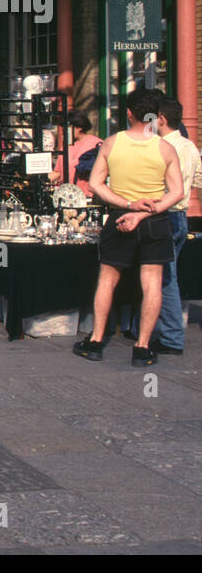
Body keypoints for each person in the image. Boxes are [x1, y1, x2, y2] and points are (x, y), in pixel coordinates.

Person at [74, 88, 184, 367]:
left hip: (120, 214)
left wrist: (129, 204)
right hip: (155, 219)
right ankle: (143, 347)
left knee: (108, 280)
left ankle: (96, 341)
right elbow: (177, 192)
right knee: (152, 283)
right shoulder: (165, 147)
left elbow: (97, 184)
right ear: (156, 116)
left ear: (129, 114)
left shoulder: (112, 143)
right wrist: (150, 208)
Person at [122, 97, 198, 356]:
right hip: (181, 213)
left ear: (161, 119)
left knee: (163, 279)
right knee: (164, 276)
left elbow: (162, 187)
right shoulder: (189, 146)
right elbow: (197, 179)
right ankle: (154, 330)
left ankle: (170, 337)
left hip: (164, 214)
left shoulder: (164, 147)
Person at [53, 111, 102, 196]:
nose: (64, 131)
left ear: (79, 128)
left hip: (88, 196)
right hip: (67, 196)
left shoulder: (96, 144)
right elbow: (58, 172)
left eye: (67, 128)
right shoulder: (66, 146)